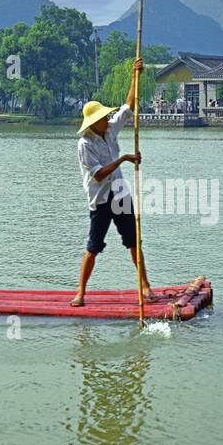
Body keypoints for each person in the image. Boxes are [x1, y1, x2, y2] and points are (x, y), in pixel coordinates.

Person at [71, 57, 153, 308]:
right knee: (93, 246)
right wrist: (125, 158)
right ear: (93, 123)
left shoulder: (109, 130)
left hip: (120, 194)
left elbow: (128, 105)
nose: (108, 120)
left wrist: (134, 75)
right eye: (103, 118)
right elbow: (98, 174)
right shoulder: (85, 144)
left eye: (107, 117)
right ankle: (81, 293)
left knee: (133, 241)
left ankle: (145, 285)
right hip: (100, 199)